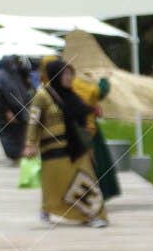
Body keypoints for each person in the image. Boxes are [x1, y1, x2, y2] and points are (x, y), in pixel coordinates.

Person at [25, 58, 108, 228]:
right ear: (56, 75)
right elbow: (34, 121)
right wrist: (30, 143)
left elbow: (80, 112)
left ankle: (92, 214)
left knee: (86, 179)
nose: (70, 78)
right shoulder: (42, 95)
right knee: (56, 184)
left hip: (76, 147)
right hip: (52, 149)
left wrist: (92, 109)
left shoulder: (72, 96)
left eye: (71, 74)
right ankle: (48, 209)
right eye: (66, 74)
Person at [72, 72, 121, 201]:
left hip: (77, 129)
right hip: (86, 130)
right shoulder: (80, 85)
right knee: (94, 163)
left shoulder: (65, 83)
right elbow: (100, 91)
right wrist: (105, 79)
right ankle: (93, 194)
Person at [0, 55, 31, 162]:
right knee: (14, 134)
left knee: (13, 134)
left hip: (13, 111)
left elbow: (3, 95)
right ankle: (17, 154)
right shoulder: (7, 76)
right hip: (14, 111)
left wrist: (7, 111)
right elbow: (2, 95)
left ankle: (18, 154)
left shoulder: (5, 76)